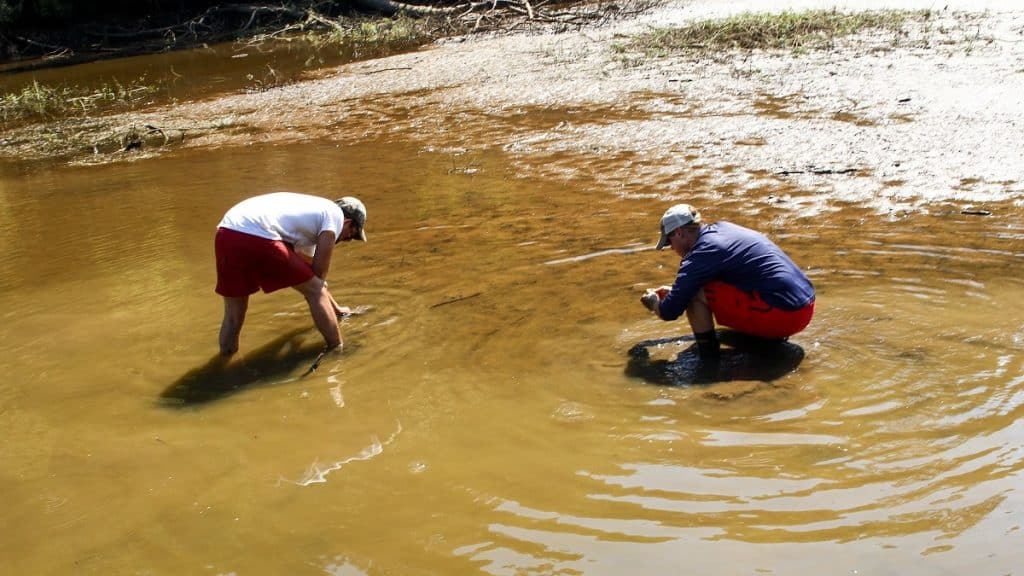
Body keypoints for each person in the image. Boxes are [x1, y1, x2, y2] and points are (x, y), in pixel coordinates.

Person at [640, 204, 815, 360]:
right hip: (806, 305)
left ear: (679, 232)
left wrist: (654, 303)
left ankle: (709, 359)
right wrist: (677, 292)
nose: (671, 248)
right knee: (697, 288)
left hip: (785, 315)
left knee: (694, 294)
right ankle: (768, 340)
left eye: (669, 241)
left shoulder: (699, 254)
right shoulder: (724, 228)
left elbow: (669, 312)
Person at [214, 192, 367, 357]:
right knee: (316, 291)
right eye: (351, 234)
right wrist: (321, 291)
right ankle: (338, 351)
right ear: (347, 222)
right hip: (257, 233)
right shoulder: (334, 215)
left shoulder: (309, 218)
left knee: (233, 317)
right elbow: (317, 286)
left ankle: (224, 364)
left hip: (226, 233)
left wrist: (338, 311)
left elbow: (313, 277)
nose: (347, 240)